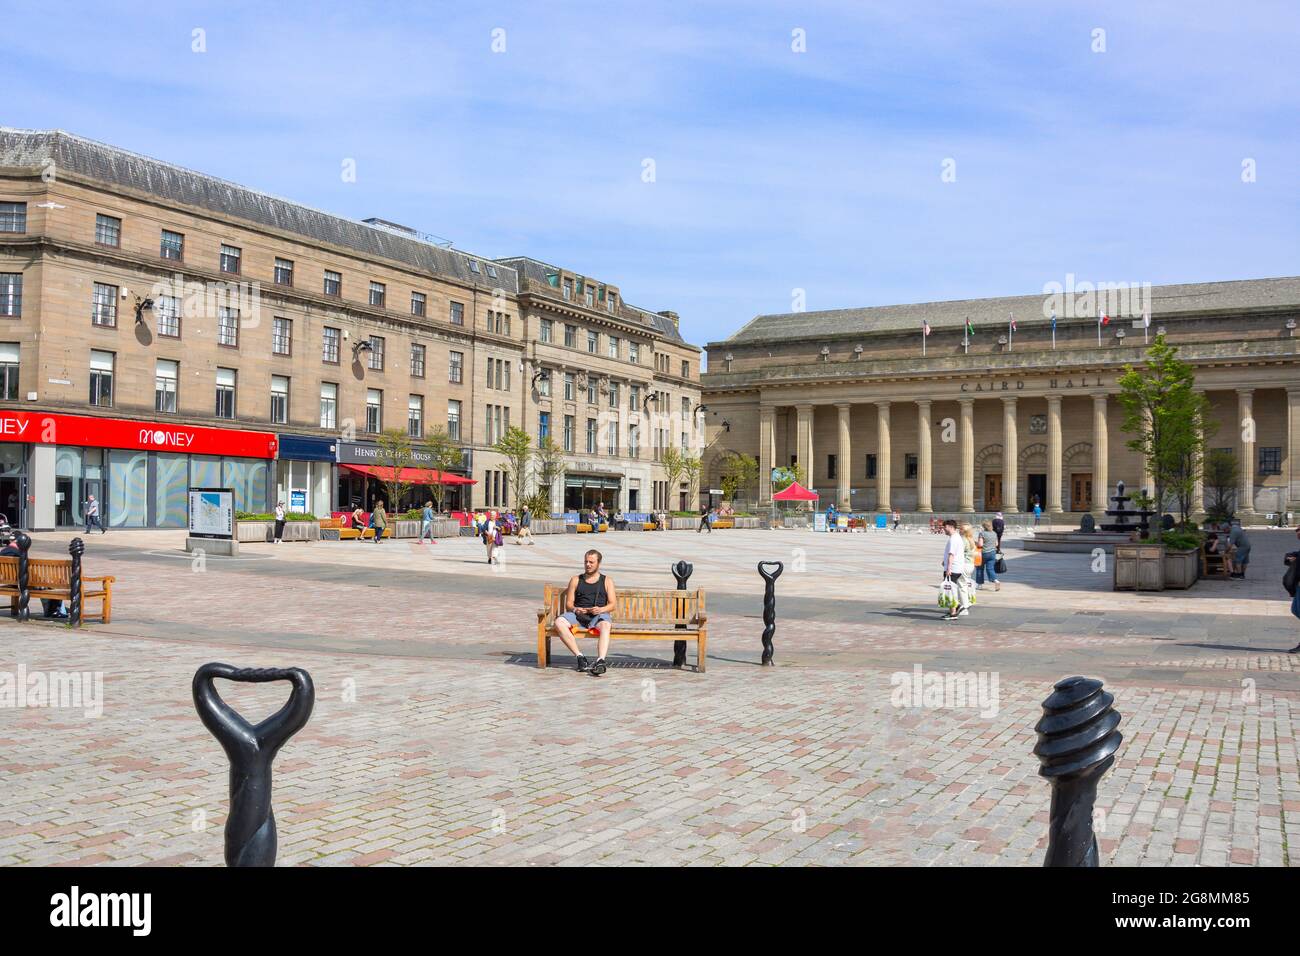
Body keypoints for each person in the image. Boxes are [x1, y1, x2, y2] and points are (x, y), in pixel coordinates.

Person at [554, 549, 618, 676]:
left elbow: (612, 604)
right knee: (559, 622)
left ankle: (600, 661)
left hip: (598, 615)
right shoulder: (576, 580)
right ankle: (580, 657)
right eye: (586, 562)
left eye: (591, 562)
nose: (588, 564)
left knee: (606, 625)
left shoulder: (607, 581)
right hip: (578, 615)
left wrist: (601, 609)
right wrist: (575, 609)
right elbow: (569, 604)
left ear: (598, 563)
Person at [1, 532, 66, 618]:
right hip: (23, 583)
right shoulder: (18, 554)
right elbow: (28, 572)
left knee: (44, 584)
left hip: (12, 582)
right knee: (48, 585)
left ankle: (60, 609)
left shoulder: (3, 552)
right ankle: (53, 611)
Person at [941, 519, 968, 621]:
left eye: (945, 527)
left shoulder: (953, 539)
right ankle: (955, 606)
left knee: (949, 590)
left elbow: (951, 554)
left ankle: (953, 614)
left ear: (950, 527)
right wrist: (944, 561)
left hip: (953, 568)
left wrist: (948, 568)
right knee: (952, 588)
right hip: (957, 567)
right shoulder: (957, 537)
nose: (944, 529)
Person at [975, 519, 1000, 592]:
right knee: (990, 569)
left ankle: (979, 585)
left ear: (984, 526)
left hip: (983, 553)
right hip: (992, 553)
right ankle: (996, 581)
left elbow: (980, 544)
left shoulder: (982, 533)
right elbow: (996, 544)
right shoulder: (994, 533)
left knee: (979, 569)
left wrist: (975, 543)